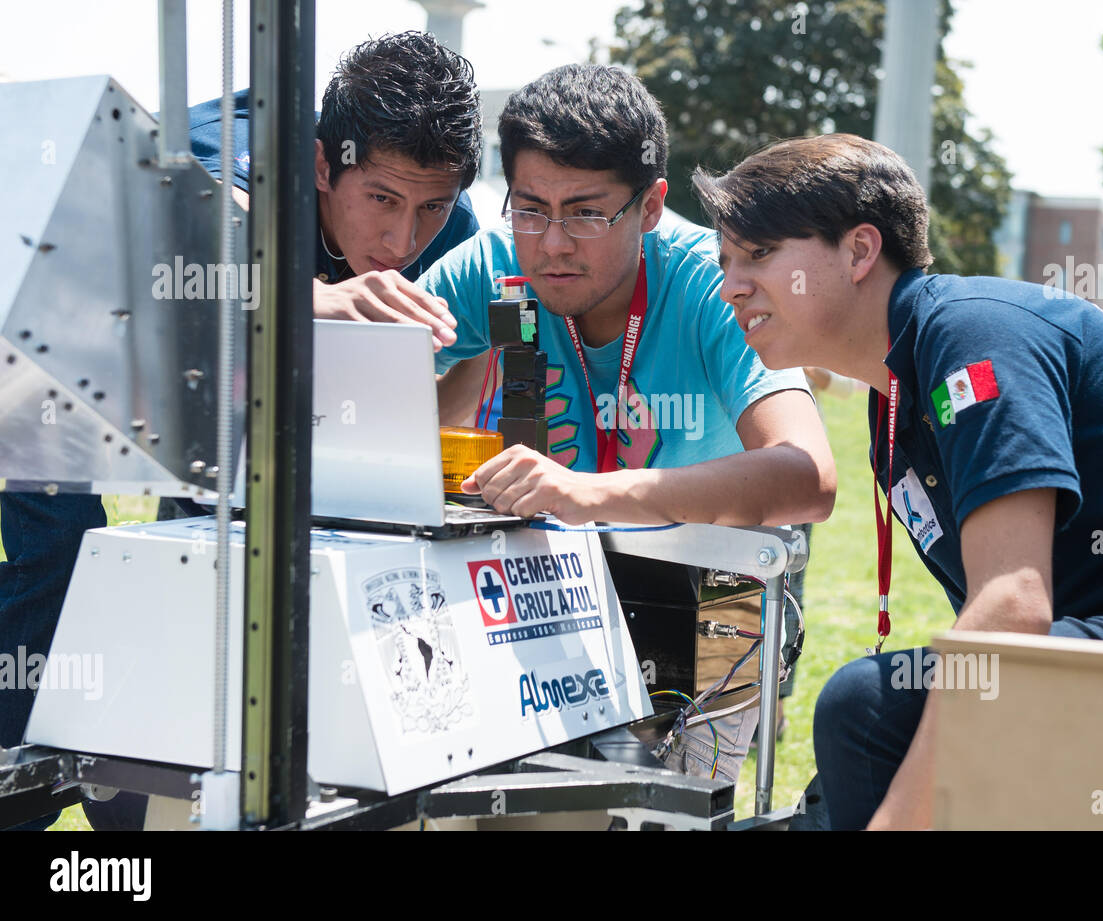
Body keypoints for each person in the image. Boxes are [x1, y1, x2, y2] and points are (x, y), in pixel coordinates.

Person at [692, 133, 1103, 830]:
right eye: (725, 261)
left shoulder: (971, 334)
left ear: (860, 251)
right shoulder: (898, 390)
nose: (731, 284)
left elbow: (1012, 609)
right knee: (865, 707)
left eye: (759, 254)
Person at [0, 30, 479, 830]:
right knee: (61, 560)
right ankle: (22, 798)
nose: (403, 242)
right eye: (383, 201)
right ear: (322, 166)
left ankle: (173, 771)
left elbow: (433, 386)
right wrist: (311, 296)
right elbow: (199, 243)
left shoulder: (451, 221)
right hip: (55, 328)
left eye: (430, 207)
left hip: (212, 373)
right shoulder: (239, 156)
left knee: (224, 544)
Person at [426, 64, 835, 529]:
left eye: (586, 213)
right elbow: (353, 403)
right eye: (530, 209)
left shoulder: (714, 284)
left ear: (651, 207)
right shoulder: (493, 264)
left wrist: (588, 493)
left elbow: (809, 476)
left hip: (700, 591)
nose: (553, 244)